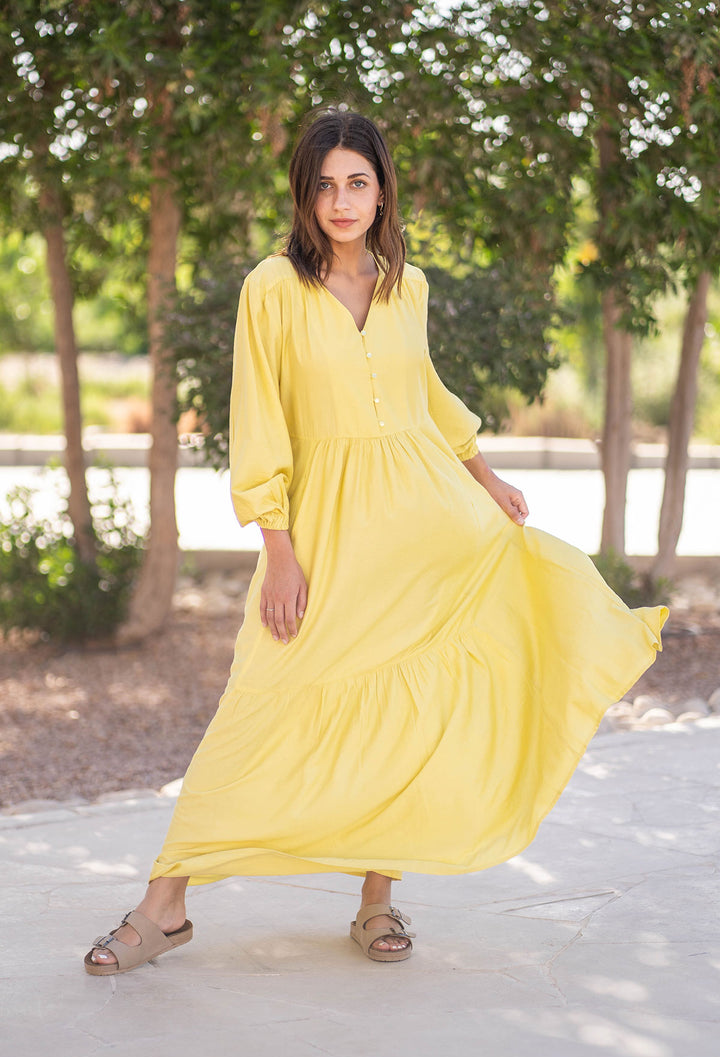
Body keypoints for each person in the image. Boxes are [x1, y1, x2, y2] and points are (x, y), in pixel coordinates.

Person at [85, 109, 666, 973]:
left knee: (412, 705)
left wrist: (485, 477)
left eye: (358, 182)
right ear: (304, 195)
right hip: (325, 532)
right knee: (259, 702)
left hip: (422, 526)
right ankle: (164, 905)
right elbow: (259, 420)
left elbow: (426, 395)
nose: (341, 200)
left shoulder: (407, 285)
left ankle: (377, 900)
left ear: (383, 191)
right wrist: (279, 551)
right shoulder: (271, 287)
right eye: (325, 185)